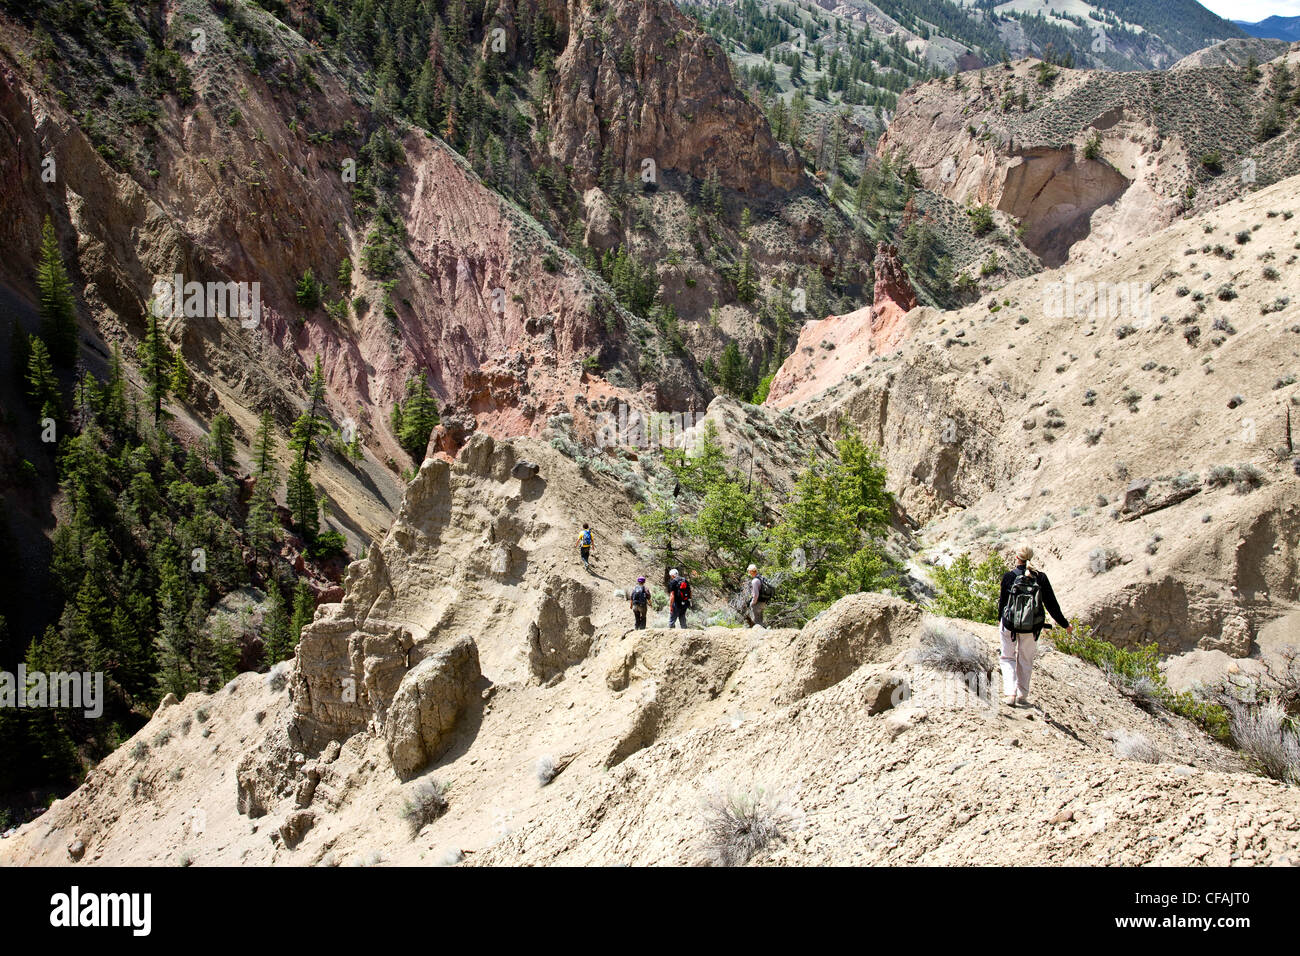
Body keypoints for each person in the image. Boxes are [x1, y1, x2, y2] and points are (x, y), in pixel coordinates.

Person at [997, 544, 1071, 707]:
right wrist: (1064, 624)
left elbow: (1003, 603)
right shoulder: (1041, 578)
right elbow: (1052, 604)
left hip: (1010, 624)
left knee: (1007, 657)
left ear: (1017, 557)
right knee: (1025, 659)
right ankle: (1022, 695)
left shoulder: (1009, 576)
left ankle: (1010, 693)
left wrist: (1000, 620)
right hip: (1032, 627)